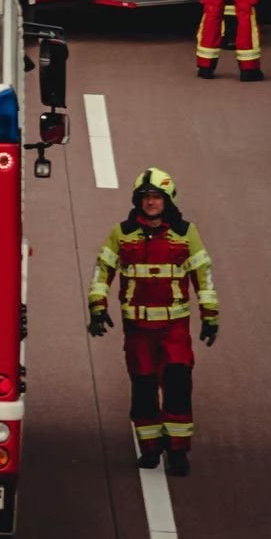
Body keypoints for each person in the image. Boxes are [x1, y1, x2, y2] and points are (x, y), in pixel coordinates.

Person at [87, 167, 218, 477]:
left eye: (156, 197)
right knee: (143, 391)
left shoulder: (186, 234)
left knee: (178, 389)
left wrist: (210, 314)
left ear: (167, 199)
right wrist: (97, 305)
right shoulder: (122, 234)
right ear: (137, 200)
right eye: (145, 197)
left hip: (175, 331)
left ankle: (177, 452)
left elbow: (203, 275)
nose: (150, 202)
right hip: (138, 333)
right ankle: (149, 449)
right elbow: (102, 270)